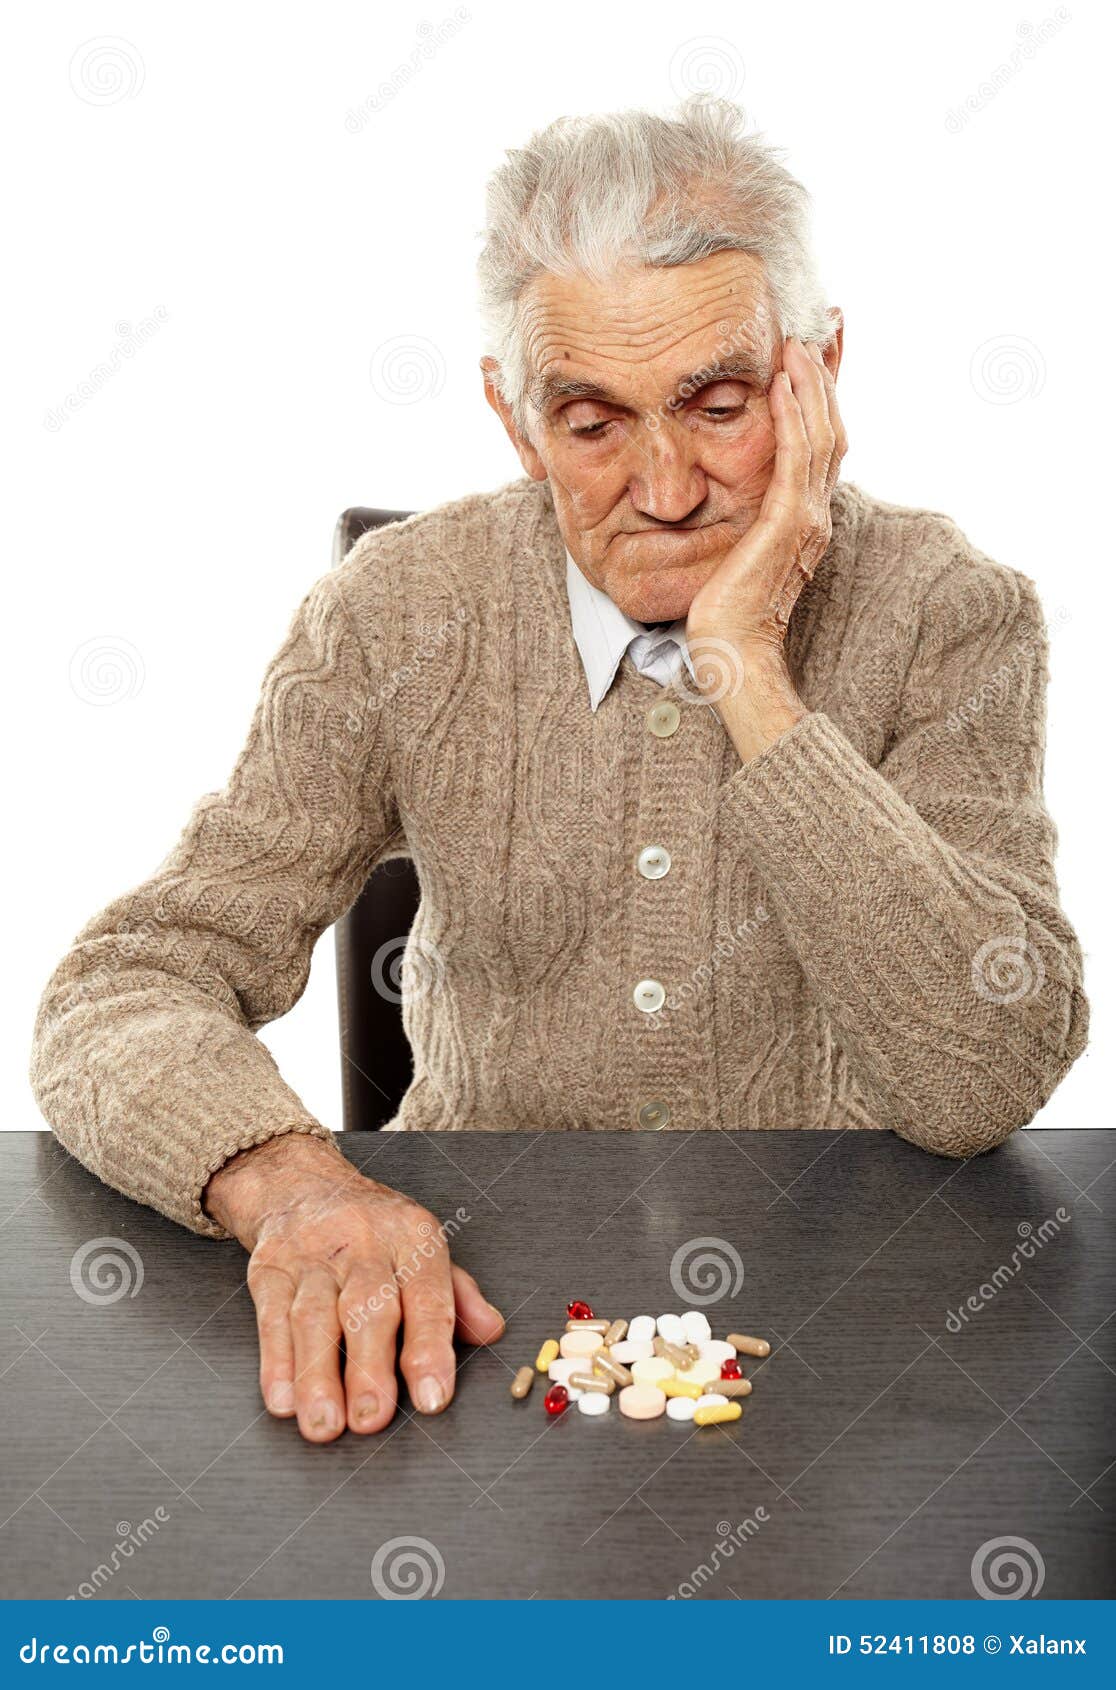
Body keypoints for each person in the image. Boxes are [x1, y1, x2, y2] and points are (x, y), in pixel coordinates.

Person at [30, 97, 1088, 1442]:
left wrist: (749, 666)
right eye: (592, 425)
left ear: (817, 372)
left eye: (717, 404)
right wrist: (293, 1185)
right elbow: (124, 981)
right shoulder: (397, 610)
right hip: (470, 1338)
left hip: (852, 1353)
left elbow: (985, 1069)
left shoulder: (954, 612)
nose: (664, 486)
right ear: (514, 419)